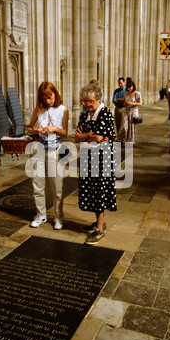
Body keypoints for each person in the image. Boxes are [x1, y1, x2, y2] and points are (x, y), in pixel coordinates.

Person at [75, 82, 117, 245]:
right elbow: (77, 137)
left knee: (99, 191)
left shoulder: (105, 113)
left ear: (98, 99)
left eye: (90, 101)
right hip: (88, 155)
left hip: (102, 158)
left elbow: (101, 138)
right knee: (90, 190)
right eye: (85, 101)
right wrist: (91, 135)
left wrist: (87, 135)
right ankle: (99, 222)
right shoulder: (84, 114)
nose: (87, 104)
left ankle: (100, 230)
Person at [27, 81, 69, 230]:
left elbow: (65, 132)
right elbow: (29, 128)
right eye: (44, 98)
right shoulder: (38, 109)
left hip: (55, 150)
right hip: (38, 148)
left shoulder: (63, 109)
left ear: (55, 94)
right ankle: (41, 215)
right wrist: (35, 130)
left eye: (50, 97)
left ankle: (58, 217)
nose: (47, 101)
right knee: (37, 184)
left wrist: (55, 128)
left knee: (57, 186)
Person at [117, 79, 142, 144]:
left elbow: (140, 103)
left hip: (134, 112)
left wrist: (132, 103)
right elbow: (124, 103)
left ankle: (129, 141)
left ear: (133, 86)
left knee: (132, 127)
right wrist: (125, 104)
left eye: (130, 87)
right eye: (127, 87)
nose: (129, 89)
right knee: (125, 126)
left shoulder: (137, 94)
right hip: (127, 112)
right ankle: (124, 139)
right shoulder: (126, 94)